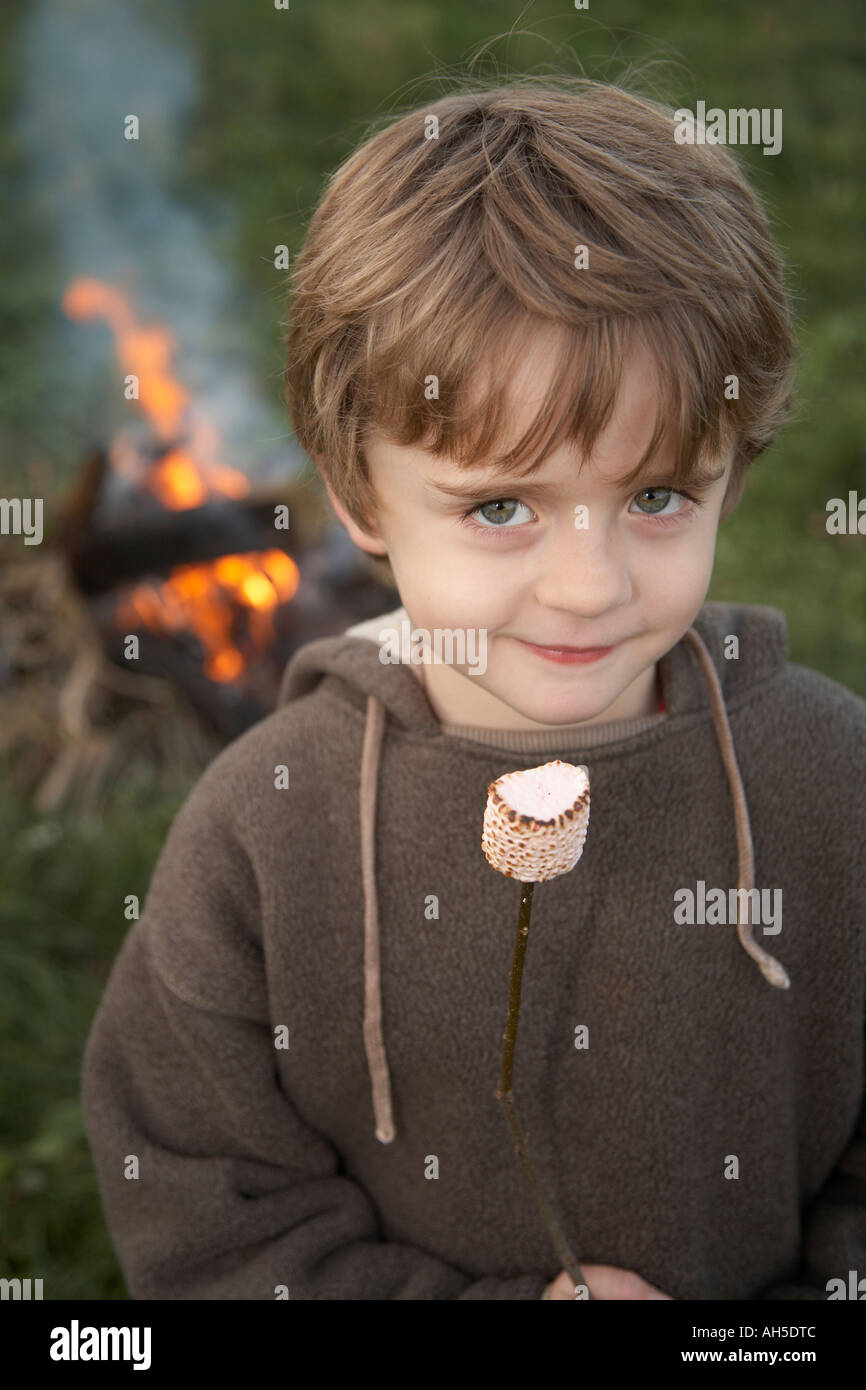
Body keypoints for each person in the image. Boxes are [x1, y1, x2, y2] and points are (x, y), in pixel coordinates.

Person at [82, 78, 866, 1300]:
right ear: (356, 498)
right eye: (500, 507)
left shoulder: (832, 781)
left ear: (731, 472)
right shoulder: (266, 830)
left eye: (655, 496)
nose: (587, 585)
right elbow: (212, 1216)